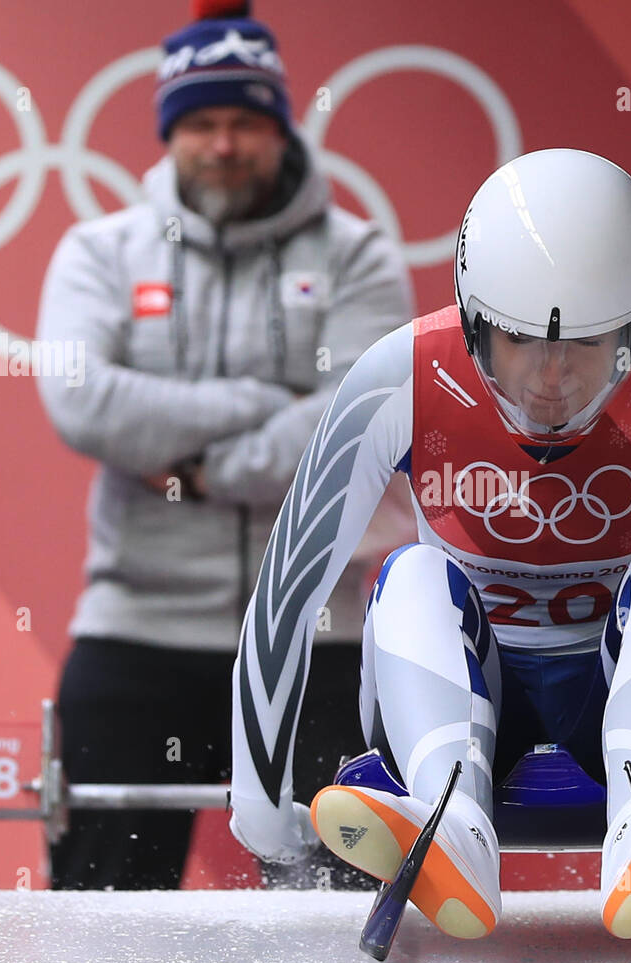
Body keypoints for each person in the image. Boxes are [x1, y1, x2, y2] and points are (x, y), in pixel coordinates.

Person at [229, 148, 631, 939]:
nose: (551, 378)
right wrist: (258, 796)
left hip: (630, 691)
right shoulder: (400, 376)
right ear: (472, 321)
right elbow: (289, 591)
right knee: (413, 572)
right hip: (457, 697)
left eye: (587, 344)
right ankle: (450, 817)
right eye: (518, 339)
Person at [35, 0, 413, 891]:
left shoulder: (359, 254)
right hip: (139, 627)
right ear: (169, 134)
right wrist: (258, 402)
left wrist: (204, 472)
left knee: (341, 923)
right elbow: (81, 401)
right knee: (100, 922)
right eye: (200, 123)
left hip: (322, 632)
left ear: (280, 129)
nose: (223, 144)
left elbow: (360, 419)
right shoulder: (98, 253)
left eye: (245, 122)